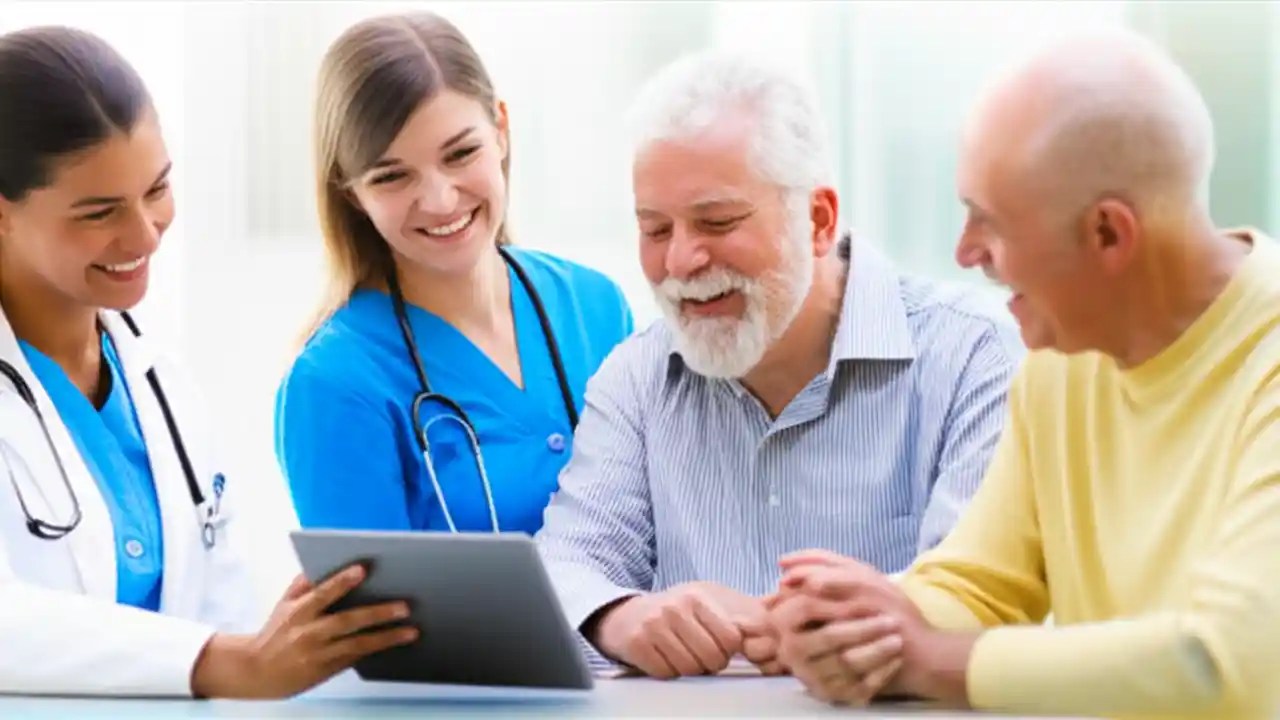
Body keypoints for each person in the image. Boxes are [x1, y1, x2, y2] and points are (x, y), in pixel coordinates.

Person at [770, 29, 1280, 718]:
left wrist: (926, 656)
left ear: (1108, 233)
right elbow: (980, 587)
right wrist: (859, 628)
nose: (963, 251)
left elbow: (1227, 664)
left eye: (989, 221)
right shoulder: (1063, 360)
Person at [533, 50, 1022, 680]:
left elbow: (986, 595)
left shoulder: (975, 356)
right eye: (655, 230)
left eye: (717, 221)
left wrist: (815, 626)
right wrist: (620, 616)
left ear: (818, 220)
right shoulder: (635, 377)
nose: (681, 260)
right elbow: (567, 564)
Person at [0, 26, 415, 698]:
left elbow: (218, 610)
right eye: (99, 211)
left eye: (158, 189)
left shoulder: (159, 378)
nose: (144, 234)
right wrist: (227, 661)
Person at [275, 11, 634, 535]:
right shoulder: (335, 383)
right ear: (352, 193)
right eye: (392, 176)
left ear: (502, 130)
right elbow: (372, 614)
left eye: (461, 153)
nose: (441, 201)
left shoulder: (597, 308)